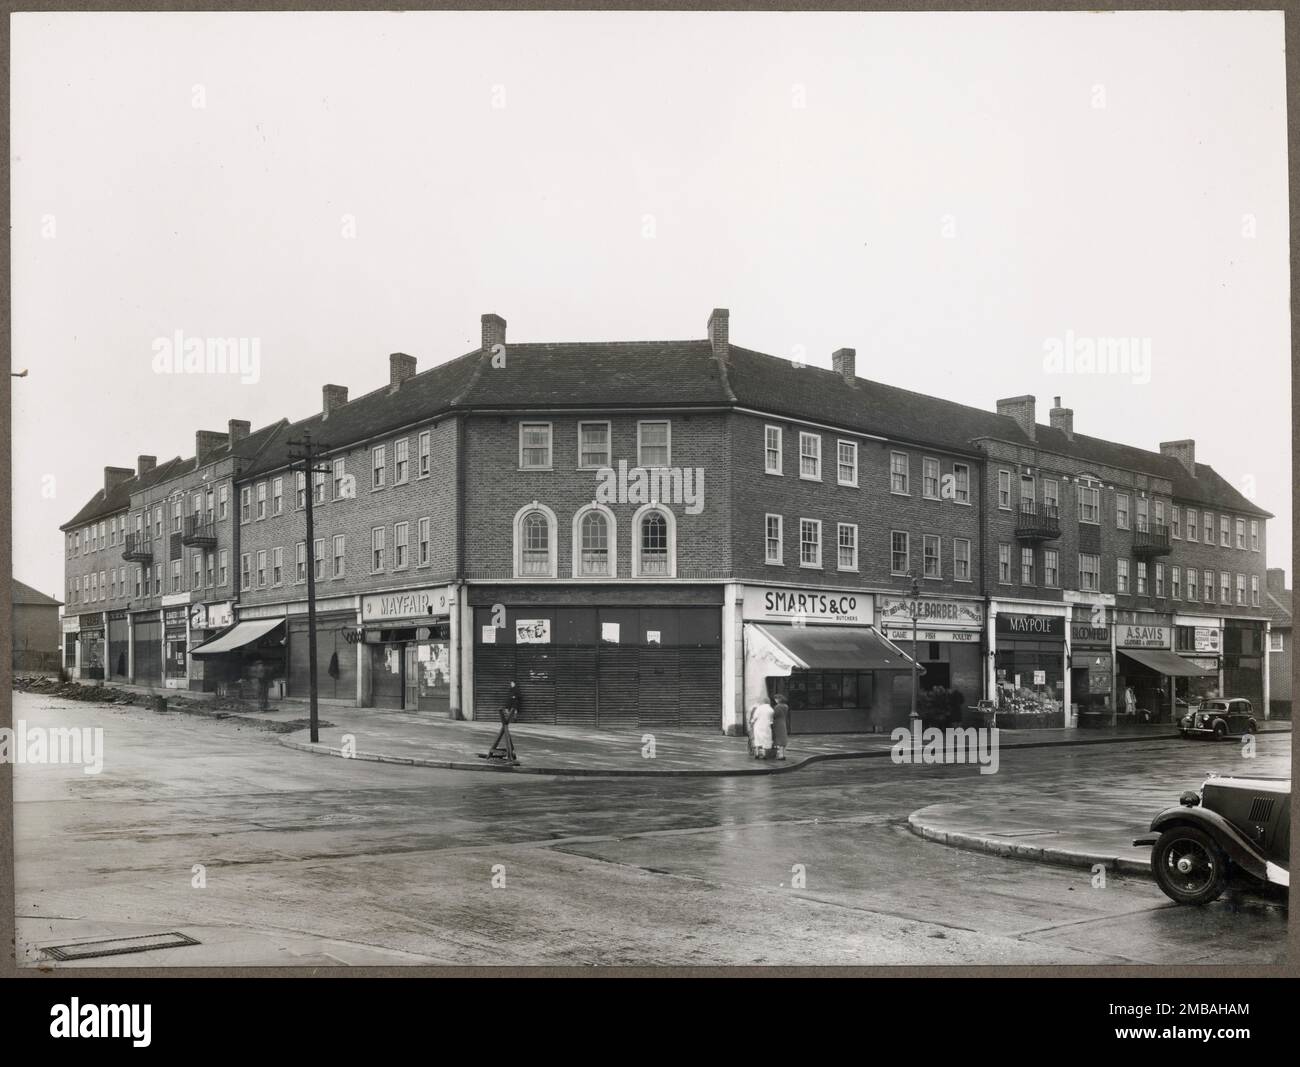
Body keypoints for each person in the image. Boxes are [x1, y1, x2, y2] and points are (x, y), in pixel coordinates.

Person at [748, 694, 775, 760]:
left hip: (758, 726)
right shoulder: (771, 709)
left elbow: (755, 717)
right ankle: (764, 755)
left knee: (757, 740)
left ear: (762, 701)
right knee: (765, 740)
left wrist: (751, 723)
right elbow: (771, 720)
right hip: (766, 727)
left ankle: (757, 754)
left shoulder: (759, 708)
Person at [771, 690, 790, 760]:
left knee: (779, 739)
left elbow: (774, 715)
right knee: (783, 738)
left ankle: (780, 755)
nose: (775, 700)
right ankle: (783, 754)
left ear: (778, 699)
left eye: (776, 699)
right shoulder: (786, 706)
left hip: (777, 723)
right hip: (783, 722)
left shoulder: (777, 707)